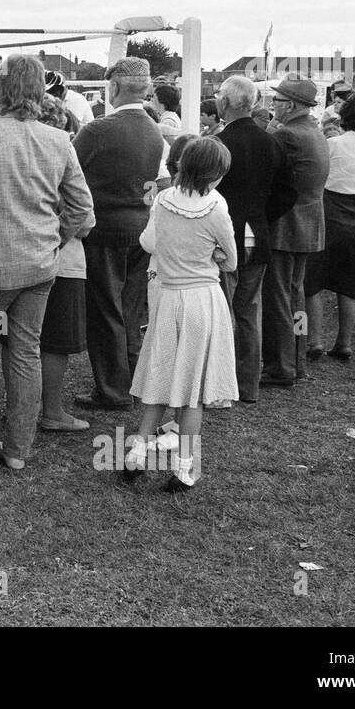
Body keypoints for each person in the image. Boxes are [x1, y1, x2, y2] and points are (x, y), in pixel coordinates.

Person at [0, 55, 95, 470]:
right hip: (40, 265)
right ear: (39, 91)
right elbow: (81, 208)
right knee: (25, 350)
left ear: (0, 91)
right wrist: (54, 240)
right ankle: (18, 450)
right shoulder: (58, 139)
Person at [121, 137, 237, 490]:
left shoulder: (162, 199)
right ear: (215, 174)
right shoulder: (216, 207)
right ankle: (185, 468)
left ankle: (137, 455)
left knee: (159, 377)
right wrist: (214, 255)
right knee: (194, 390)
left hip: (168, 295)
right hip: (202, 298)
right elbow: (231, 259)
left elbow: (148, 243)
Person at [73, 57, 166, 410]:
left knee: (104, 310)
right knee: (130, 310)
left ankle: (112, 390)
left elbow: (68, 171)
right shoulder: (153, 129)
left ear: (113, 88)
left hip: (105, 230)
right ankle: (131, 382)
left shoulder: (98, 130)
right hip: (141, 226)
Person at [213, 76, 297, 405]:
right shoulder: (270, 142)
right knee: (248, 312)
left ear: (226, 103)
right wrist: (261, 216)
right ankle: (247, 386)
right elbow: (288, 192)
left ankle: (222, 386)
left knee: (223, 311)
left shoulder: (219, 144)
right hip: (256, 234)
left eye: (220, 96)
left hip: (225, 235)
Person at [259, 75, 330, 390]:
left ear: (289, 105)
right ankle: (296, 362)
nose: (272, 106)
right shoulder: (313, 131)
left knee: (278, 299)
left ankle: (280, 367)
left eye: (276, 101)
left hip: (286, 225)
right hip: (309, 224)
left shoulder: (287, 134)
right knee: (295, 296)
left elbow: (266, 173)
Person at [303, 94, 355, 361]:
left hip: (331, 210)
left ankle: (313, 340)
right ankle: (344, 343)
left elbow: (320, 177)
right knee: (351, 285)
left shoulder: (332, 143)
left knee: (312, 281)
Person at [31, 95, 93, 432]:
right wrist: (59, 233)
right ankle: (50, 411)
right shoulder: (67, 157)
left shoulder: (18, 157)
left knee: (22, 341)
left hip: (26, 259)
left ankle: (24, 409)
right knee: (54, 343)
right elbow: (86, 218)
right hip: (64, 262)